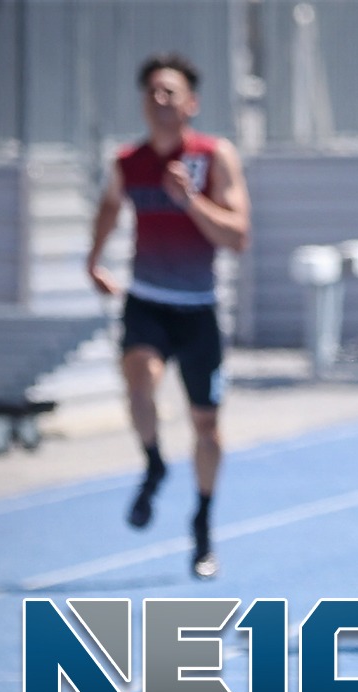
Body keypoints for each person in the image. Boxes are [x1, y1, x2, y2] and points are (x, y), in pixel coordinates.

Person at [85, 53, 251, 580]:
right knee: (140, 382)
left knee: (206, 424)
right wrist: (93, 260)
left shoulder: (213, 156)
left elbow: (238, 237)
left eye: (170, 92)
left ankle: (202, 522)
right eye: (151, 92)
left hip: (198, 309)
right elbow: (110, 208)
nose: (159, 101)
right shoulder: (128, 162)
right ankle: (154, 462)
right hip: (148, 301)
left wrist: (190, 202)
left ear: (191, 103)